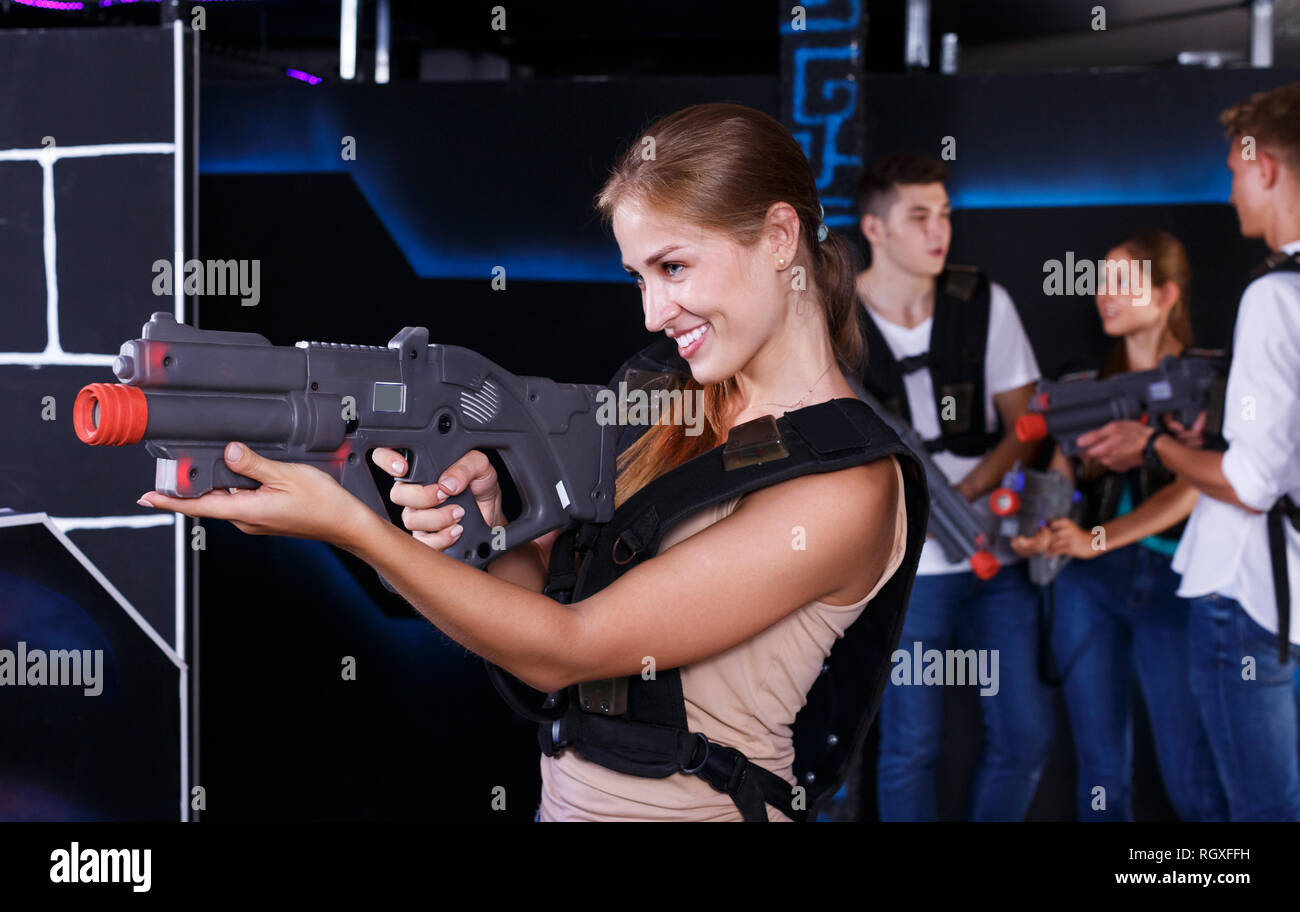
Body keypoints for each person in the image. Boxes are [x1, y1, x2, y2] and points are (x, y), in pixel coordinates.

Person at [137, 103, 926, 822]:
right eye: (639, 277)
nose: (653, 313)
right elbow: (547, 659)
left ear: (780, 237)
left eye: (674, 267)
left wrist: (353, 529)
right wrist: (494, 530)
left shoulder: (845, 486)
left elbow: (567, 644)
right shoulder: (663, 397)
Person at [1078, 82, 1300, 821]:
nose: (1232, 189)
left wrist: (1155, 447)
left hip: (1244, 589)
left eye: (1236, 171)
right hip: (1282, 591)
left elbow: (1250, 481)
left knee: (1251, 809)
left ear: (1265, 166)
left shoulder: (1273, 296)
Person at [856, 154, 1053, 821]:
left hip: (995, 549)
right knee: (911, 745)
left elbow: (1026, 421)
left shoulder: (982, 301)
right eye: (919, 216)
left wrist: (965, 491)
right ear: (875, 229)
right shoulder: (836, 321)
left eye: (944, 215)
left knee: (1026, 735)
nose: (939, 231)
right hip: (904, 566)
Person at [1010, 230, 1227, 821]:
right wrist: (1040, 534)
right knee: (1101, 773)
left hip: (1176, 584)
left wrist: (1096, 537)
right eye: (1100, 282)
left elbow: (1199, 488)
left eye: (1121, 283)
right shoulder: (1081, 389)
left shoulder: (1209, 385)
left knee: (1191, 775)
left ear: (1164, 296)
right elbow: (1054, 485)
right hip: (1088, 584)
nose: (1102, 295)